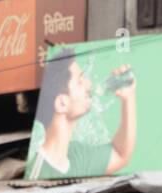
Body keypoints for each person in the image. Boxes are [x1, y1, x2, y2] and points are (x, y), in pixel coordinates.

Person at [27, 49, 136, 179]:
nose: (88, 84)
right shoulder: (36, 177)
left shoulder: (77, 154)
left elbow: (120, 154)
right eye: (80, 81)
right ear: (62, 104)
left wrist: (129, 97)